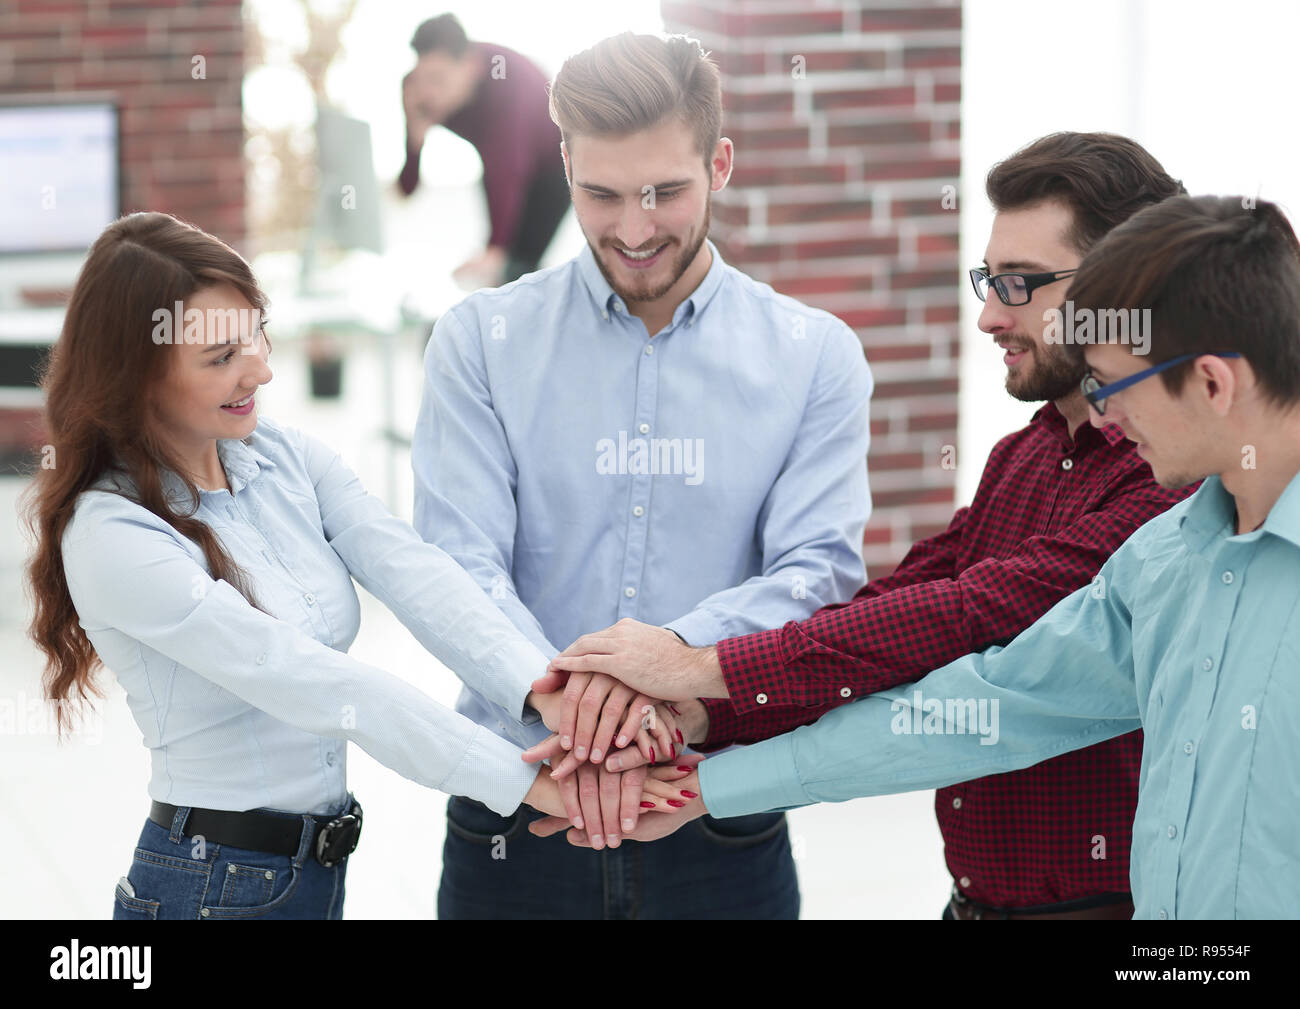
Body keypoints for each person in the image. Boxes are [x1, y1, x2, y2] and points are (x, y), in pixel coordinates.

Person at [541, 194, 1300, 920]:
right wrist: (711, 778)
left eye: (1117, 387)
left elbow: (967, 616)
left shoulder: (1149, 515)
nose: (1105, 414)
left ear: (1211, 382)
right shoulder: (1161, 564)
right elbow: (986, 708)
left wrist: (698, 667)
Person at [23, 211, 683, 921]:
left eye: (255, 333)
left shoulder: (282, 456)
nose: (262, 368)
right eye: (220, 357)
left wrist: (549, 693)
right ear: (136, 375)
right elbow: (317, 681)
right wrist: (533, 781)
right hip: (208, 888)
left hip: (310, 876)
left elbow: (414, 572)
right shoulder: (113, 533)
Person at [412, 32, 873, 919]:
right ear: (565, 165)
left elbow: (815, 573)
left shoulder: (815, 357)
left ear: (721, 162)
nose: (633, 229)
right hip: (515, 805)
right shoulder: (477, 342)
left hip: (714, 812)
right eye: (602, 194)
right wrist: (576, 710)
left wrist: (659, 678)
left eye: (665, 192)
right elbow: (456, 567)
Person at [400, 13, 569, 286]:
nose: (428, 93)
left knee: (518, 269)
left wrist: (494, 251)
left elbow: (508, 167)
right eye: (422, 78)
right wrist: (415, 139)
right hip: (497, 167)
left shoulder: (506, 84)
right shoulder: (417, 90)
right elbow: (407, 188)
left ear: (470, 66)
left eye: (438, 80)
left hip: (552, 165)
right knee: (493, 270)